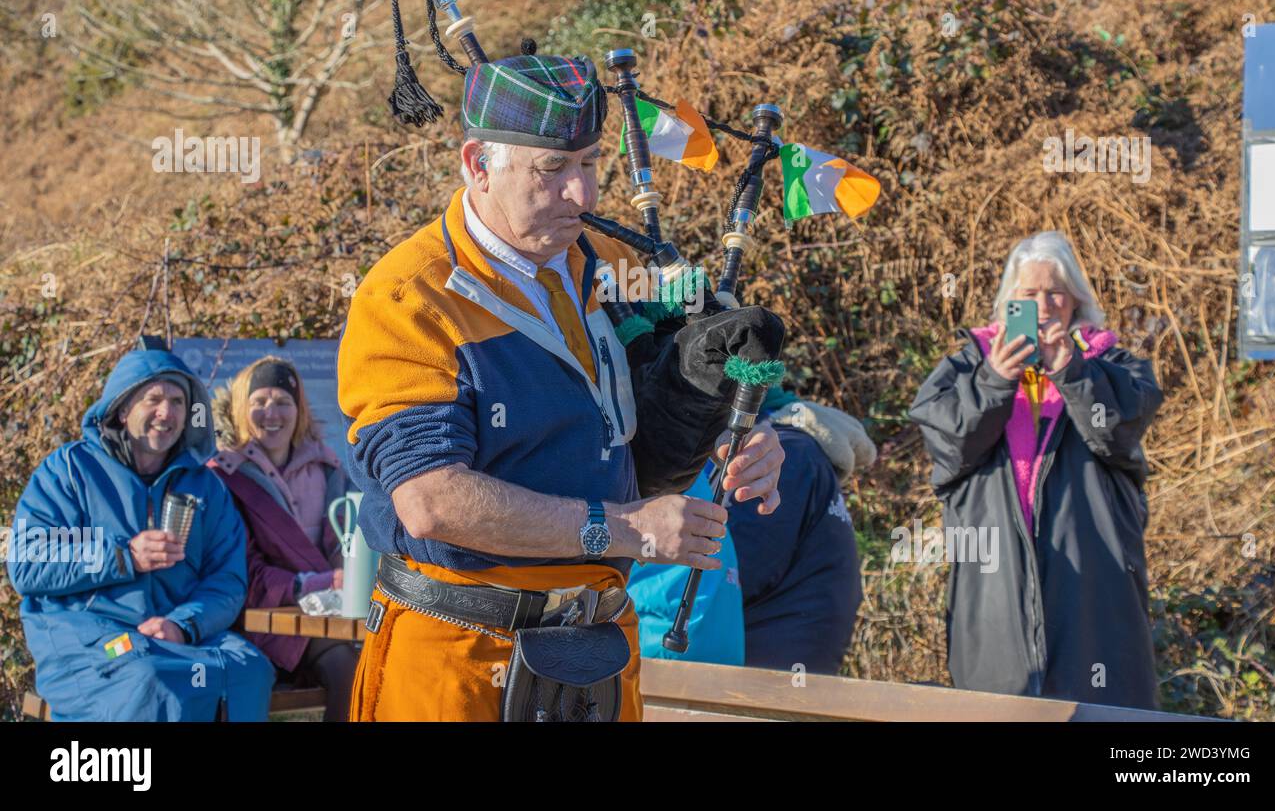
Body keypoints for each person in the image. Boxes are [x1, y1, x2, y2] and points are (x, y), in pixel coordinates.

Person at [337, 51, 786, 721]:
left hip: (598, 650)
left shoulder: (611, 266)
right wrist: (626, 527)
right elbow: (430, 501)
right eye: (552, 170)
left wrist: (741, 432)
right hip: (459, 662)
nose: (584, 196)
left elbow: (670, 387)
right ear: (476, 165)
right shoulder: (408, 299)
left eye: (589, 164)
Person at [908, 231, 1163, 709]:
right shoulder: (968, 366)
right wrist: (993, 381)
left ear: (1076, 302)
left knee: (1100, 711)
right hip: (994, 585)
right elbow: (948, 445)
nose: (1043, 305)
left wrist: (1074, 372)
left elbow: (1118, 433)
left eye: (1055, 292)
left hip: (1094, 588)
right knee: (1000, 711)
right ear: (1010, 302)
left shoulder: (1113, 366)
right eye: (1029, 294)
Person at [6, 348, 274, 721]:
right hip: (92, 641)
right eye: (153, 399)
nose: (167, 412)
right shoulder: (66, 471)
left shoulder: (205, 487)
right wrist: (122, 556)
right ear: (121, 409)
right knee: (145, 676)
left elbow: (227, 580)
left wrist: (182, 625)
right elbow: (28, 562)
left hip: (173, 637)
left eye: (178, 401)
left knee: (248, 670)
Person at [631, 394, 872, 674]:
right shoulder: (807, 458)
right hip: (798, 668)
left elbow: (727, 568)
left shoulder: (789, 461)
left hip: (764, 674)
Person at [208, 356, 360, 722]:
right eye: (258, 403)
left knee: (372, 664)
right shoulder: (223, 478)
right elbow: (242, 570)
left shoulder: (330, 469)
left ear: (300, 409)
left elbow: (350, 542)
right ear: (240, 409)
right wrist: (320, 582)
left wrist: (349, 577)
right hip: (254, 621)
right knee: (346, 666)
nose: (271, 413)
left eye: (282, 402)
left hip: (327, 616)